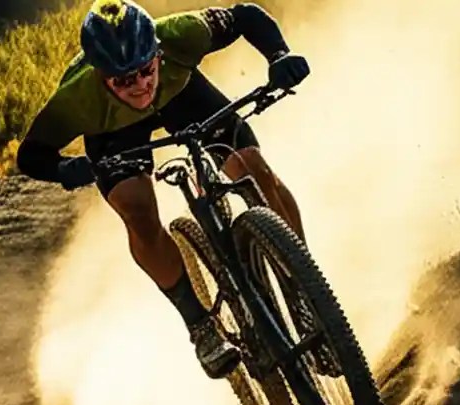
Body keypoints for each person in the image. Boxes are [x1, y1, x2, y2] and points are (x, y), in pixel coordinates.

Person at [17, 1, 311, 378]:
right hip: (114, 132)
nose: (140, 85)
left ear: (158, 52)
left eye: (145, 70)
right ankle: (200, 326)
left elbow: (246, 16)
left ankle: (302, 287)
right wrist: (62, 168)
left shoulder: (180, 35)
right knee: (136, 209)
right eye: (124, 80)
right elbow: (30, 155)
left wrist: (279, 56)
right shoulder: (77, 98)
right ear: (101, 76)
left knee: (252, 169)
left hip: (183, 96)